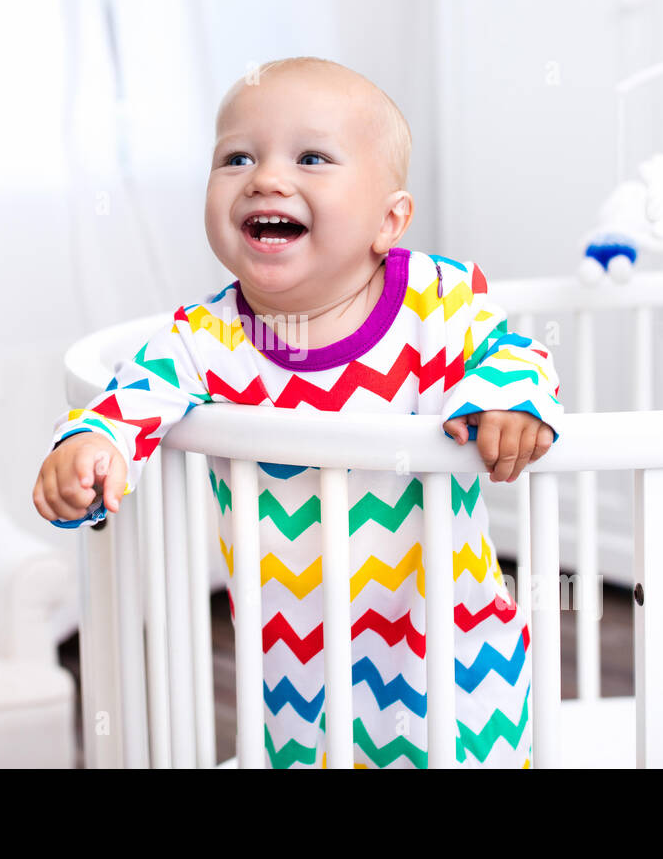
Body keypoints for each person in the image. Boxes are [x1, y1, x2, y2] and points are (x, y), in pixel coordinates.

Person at [33, 56, 564, 768]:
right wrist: (91, 447)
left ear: (389, 220)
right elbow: (130, 402)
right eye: (236, 157)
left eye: (311, 157)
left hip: (457, 656)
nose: (266, 178)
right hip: (295, 672)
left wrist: (507, 399)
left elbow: (513, 351)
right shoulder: (204, 340)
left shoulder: (437, 303)